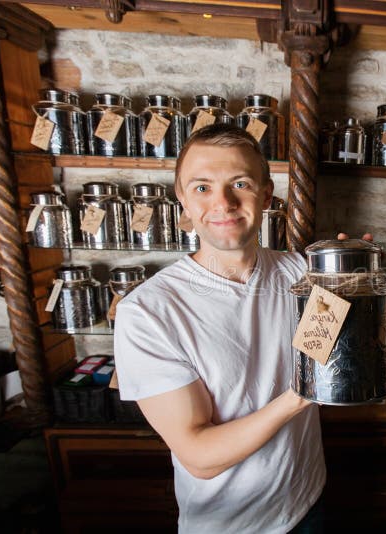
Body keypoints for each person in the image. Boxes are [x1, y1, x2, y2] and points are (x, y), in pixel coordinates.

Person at [113, 124, 329, 533]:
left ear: (266, 196)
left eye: (240, 183)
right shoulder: (147, 312)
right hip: (230, 524)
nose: (223, 202)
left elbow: (323, 349)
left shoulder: (301, 272)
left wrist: (350, 276)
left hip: (307, 497)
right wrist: (301, 396)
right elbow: (199, 456)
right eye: (201, 188)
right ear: (182, 200)